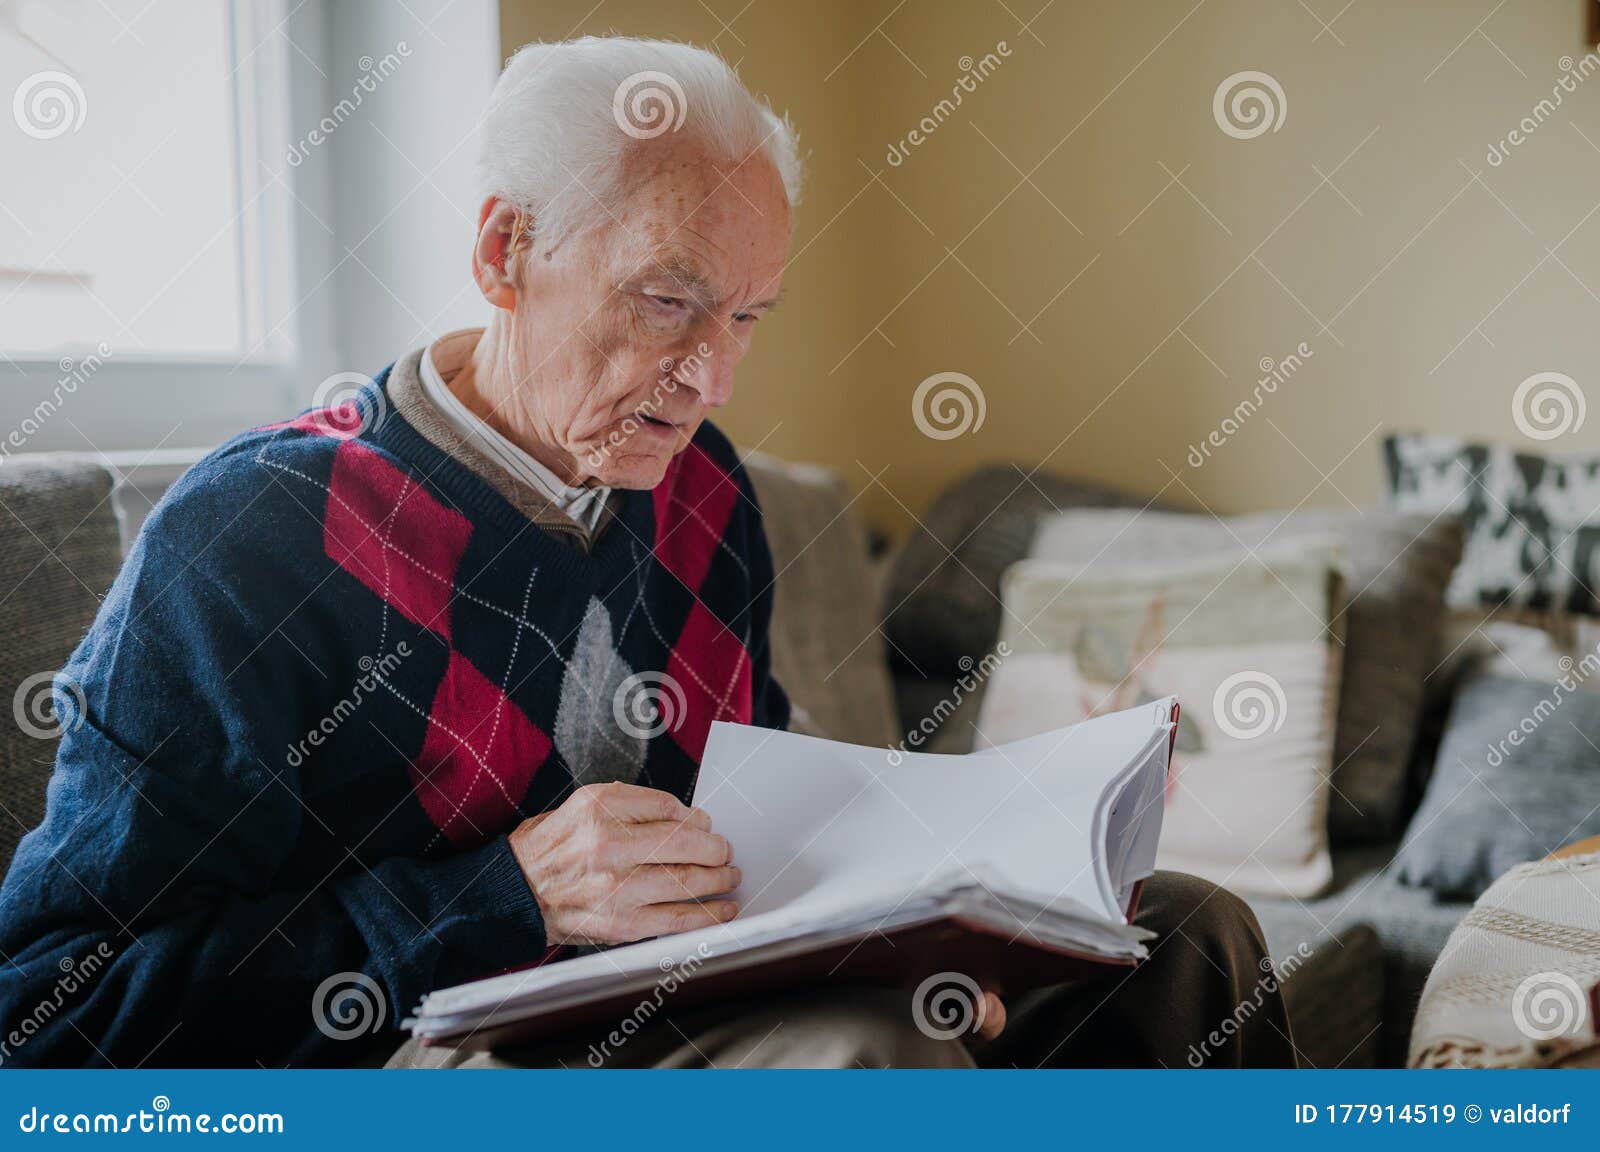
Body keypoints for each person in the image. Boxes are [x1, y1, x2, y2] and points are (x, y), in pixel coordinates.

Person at [0, 37, 1293, 1069]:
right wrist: (508, 899)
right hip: (421, 1045)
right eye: (668, 300)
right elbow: (56, 1012)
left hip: (669, 1001)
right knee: (869, 1051)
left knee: (1187, 938)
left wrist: (938, 930)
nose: (710, 378)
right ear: (506, 251)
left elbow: (752, 834)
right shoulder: (253, 539)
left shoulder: (702, 490)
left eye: (747, 317)